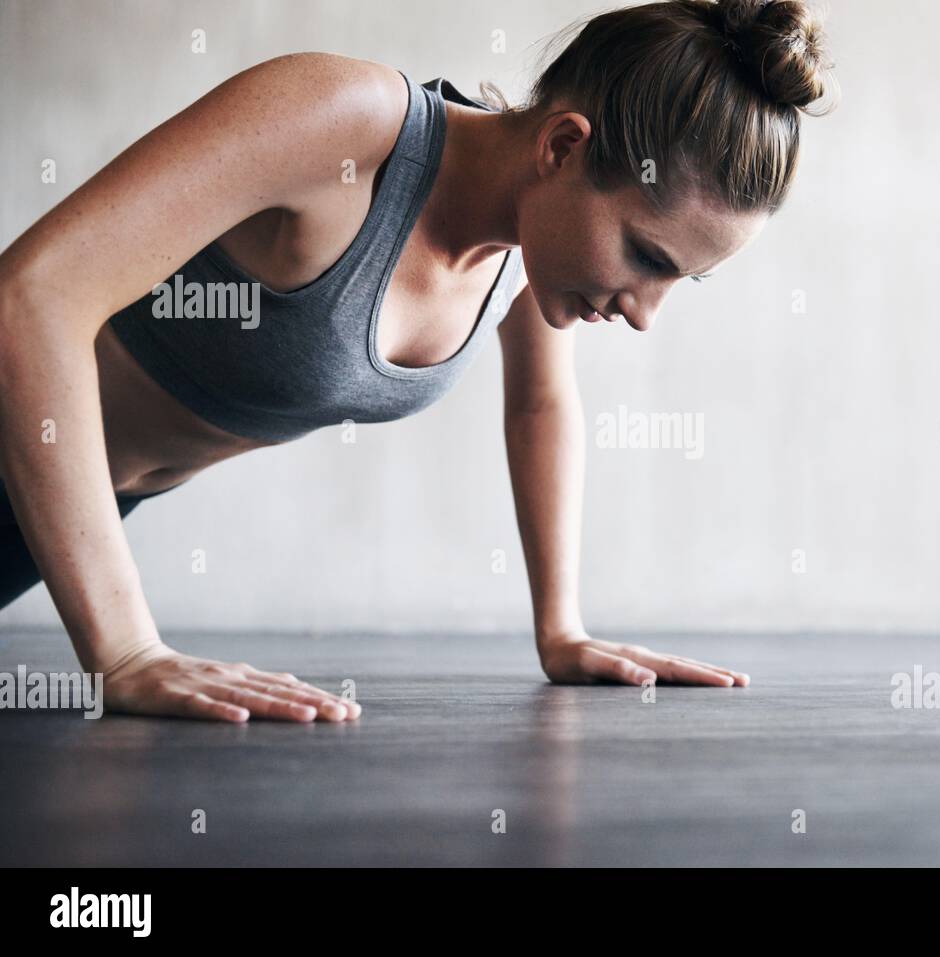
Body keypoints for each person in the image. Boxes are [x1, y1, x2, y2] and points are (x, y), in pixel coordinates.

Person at [0, 0, 837, 722]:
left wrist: (561, 628)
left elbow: (541, 404)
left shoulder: (521, 250)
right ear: (562, 147)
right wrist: (125, 649)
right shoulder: (345, 122)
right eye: (647, 258)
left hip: (45, 523)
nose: (644, 313)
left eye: (680, 281)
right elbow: (32, 297)